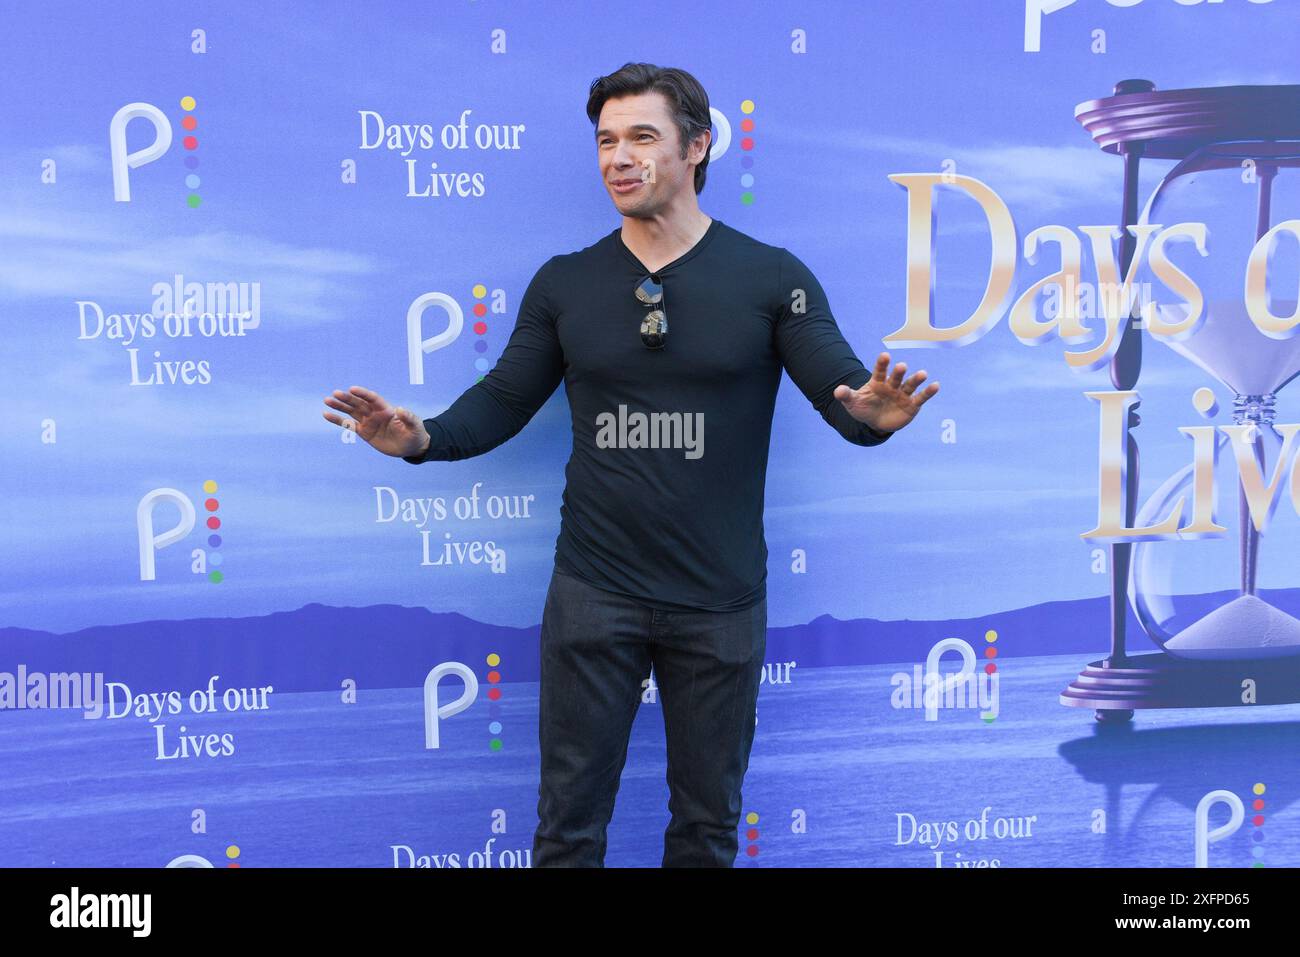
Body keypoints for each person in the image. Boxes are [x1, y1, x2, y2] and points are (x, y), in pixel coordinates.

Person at [323, 62, 939, 868]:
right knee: (567, 829)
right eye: (607, 141)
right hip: (594, 593)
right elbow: (504, 399)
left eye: (642, 137)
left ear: (697, 147)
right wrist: (420, 437)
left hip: (720, 598)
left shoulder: (772, 278)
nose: (619, 156)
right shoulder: (566, 283)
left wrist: (874, 417)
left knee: (708, 829)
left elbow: (845, 392)